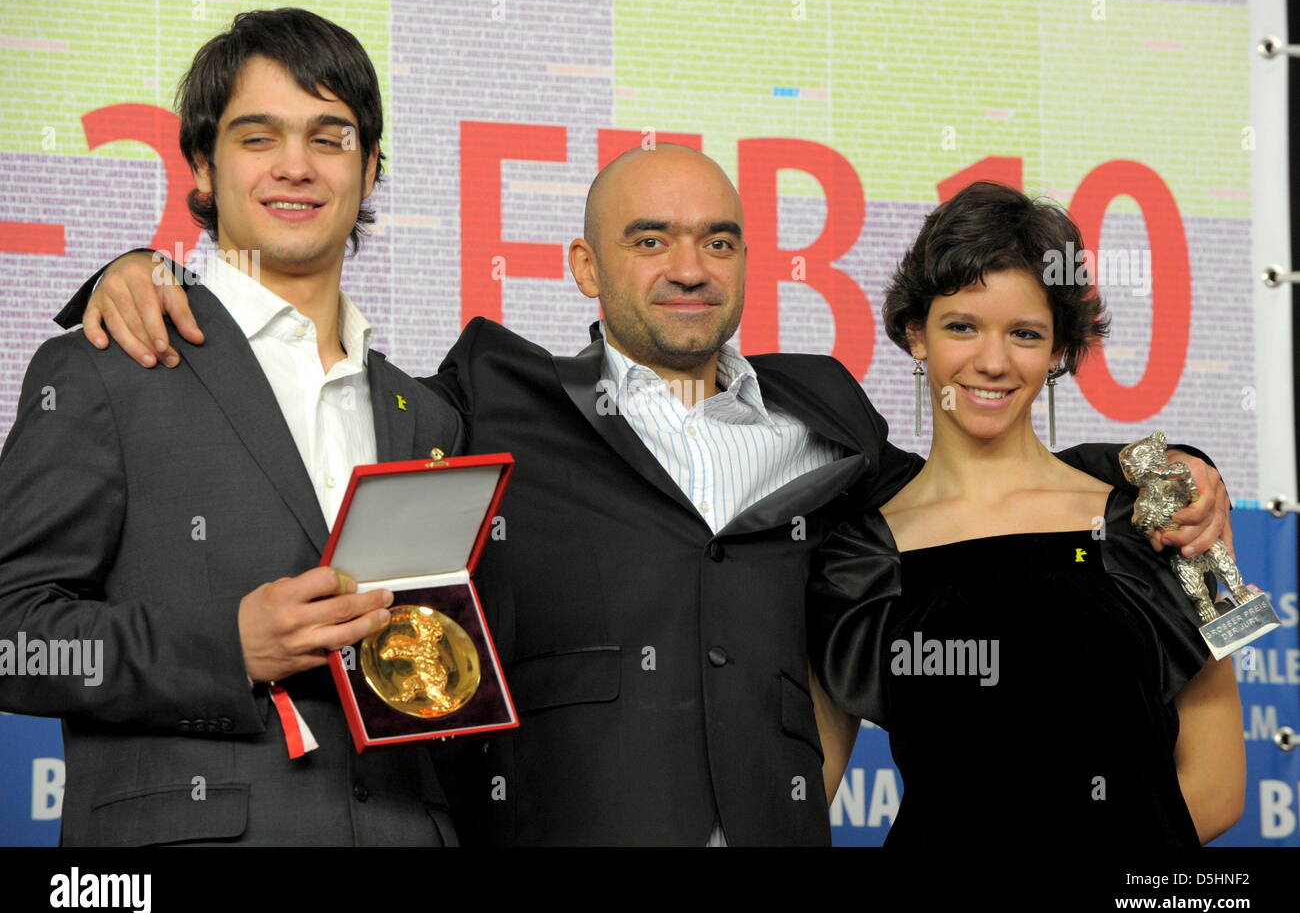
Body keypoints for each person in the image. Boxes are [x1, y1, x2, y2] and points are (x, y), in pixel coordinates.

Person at [52, 147, 1232, 845]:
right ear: (584, 266)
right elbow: (318, 376)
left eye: (718, 241)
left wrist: (1165, 469)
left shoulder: (832, 422)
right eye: (651, 238)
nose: (686, 266)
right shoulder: (481, 394)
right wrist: (145, 270)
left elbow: (983, 473)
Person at [0, 9, 464, 845]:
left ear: (369, 170)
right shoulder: (111, 363)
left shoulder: (425, 414)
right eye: (259, 137)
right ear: (202, 169)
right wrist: (226, 647)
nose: (297, 165)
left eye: (331, 137)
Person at [807, 182, 1246, 846]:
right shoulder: (854, 557)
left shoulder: (1174, 504)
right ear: (915, 333)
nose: (992, 361)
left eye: (1024, 333)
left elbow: (1220, 785)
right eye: (962, 326)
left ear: (1059, 349)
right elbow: (803, 792)